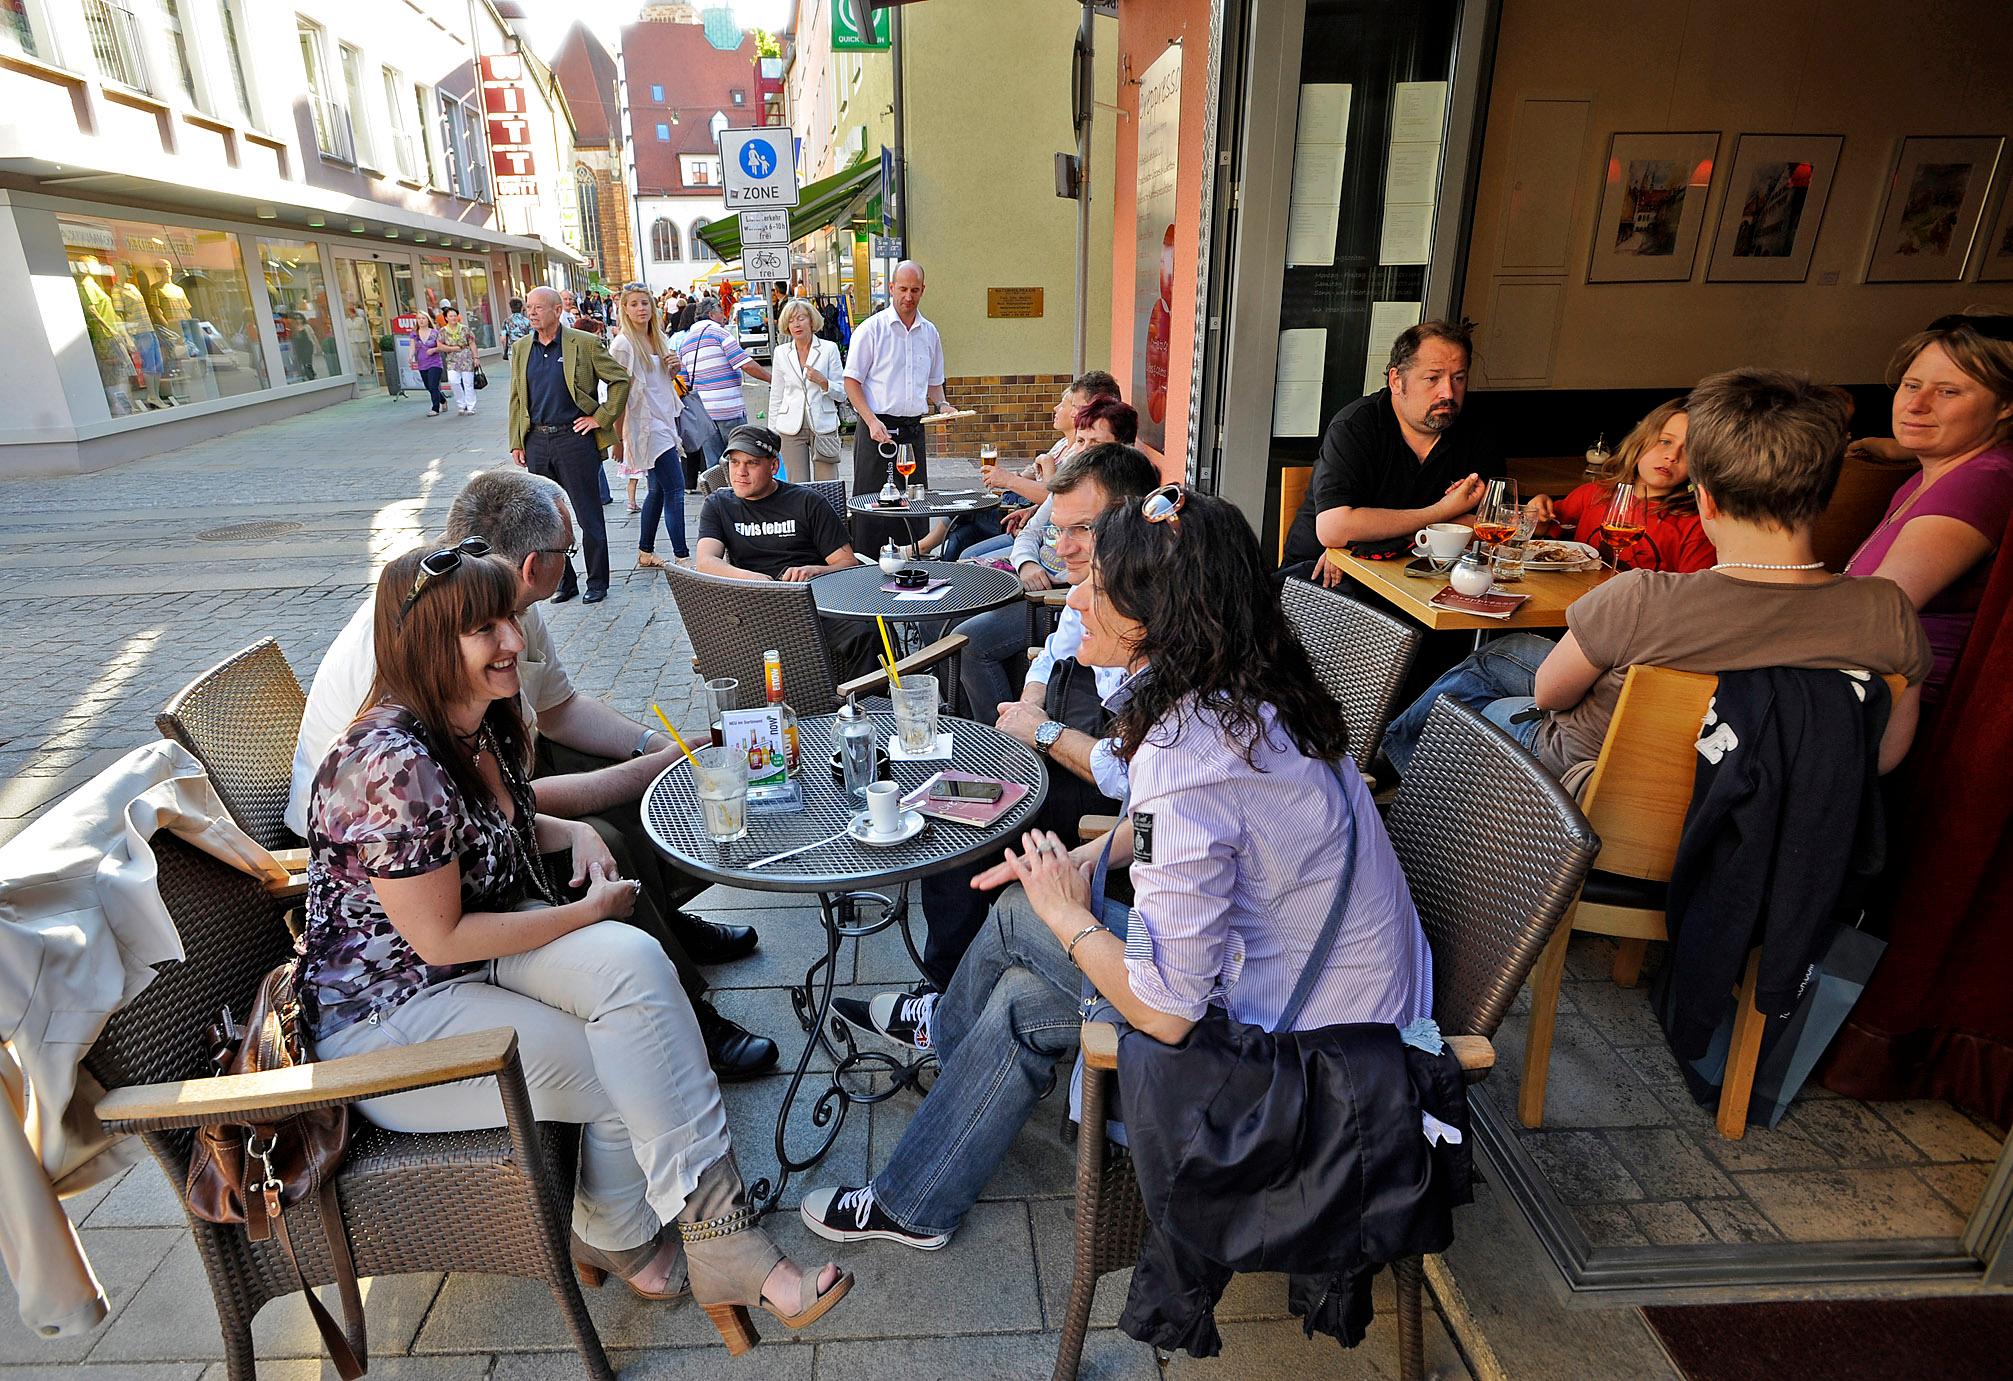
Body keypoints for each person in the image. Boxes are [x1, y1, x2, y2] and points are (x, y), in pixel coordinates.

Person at [801, 487, 1434, 1251]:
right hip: (1345, 997)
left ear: (1161, 618)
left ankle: (925, 1150)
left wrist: (1069, 915)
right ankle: (935, 1091)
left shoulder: (1186, 753)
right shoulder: (1255, 690)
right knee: (1023, 924)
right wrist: (1088, 857)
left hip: (1310, 1070)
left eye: (1099, 589)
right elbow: (1199, 830)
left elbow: (1168, 1012)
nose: (1075, 597)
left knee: (1024, 973)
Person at [302, 544, 847, 1343]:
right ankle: (642, 1234)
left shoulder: (471, 726)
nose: (514, 642)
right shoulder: (387, 763)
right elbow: (439, 934)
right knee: (635, 1059)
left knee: (635, 969)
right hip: (387, 1020)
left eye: (510, 620)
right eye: (486, 629)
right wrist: (583, 913)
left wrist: (577, 834)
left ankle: (696, 1231)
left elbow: (499, 830)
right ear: (425, 643)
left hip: (468, 963)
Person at [286, 470, 777, 1077]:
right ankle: (682, 1008)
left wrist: (661, 746)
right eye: (569, 555)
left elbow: (560, 711)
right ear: (535, 565)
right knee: (618, 823)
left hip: (457, 812)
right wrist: (647, 776)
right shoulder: (414, 661)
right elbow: (472, 812)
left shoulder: (498, 615)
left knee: (621, 785)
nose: (513, 639)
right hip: (398, 863)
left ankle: (660, 930)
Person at [1378, 369, 1933, 780]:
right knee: (1505, 662)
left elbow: (1548, 696)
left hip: (1593, 800)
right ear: (1827, 493)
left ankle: (1408, 816)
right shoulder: (1890, 611)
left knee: (1474, 707)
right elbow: (1881, 756)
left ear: (1705, 498)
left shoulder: (1640, 597)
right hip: (1758, 823)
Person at [839, 444, 1162, 1046]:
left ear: (1133, 526)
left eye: (1080, 531)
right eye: (1058, 530)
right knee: (944, 800)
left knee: (961, 838)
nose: (1061, 549)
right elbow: (1060, 646)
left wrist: (1041, 734)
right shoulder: (1096, 590)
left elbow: (1138, 780)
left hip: (1099, 797)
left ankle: (948, 1004)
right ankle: (951, 992)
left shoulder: (1152, 615)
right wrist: (1034, 702)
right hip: (1075, 764)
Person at [1843, 310, 2013, 706]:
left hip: (1903, 711)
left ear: (2005, 405)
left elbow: (1876, 610)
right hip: (1865, 680)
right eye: (1911, 385)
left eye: (1948, 391)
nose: (1916, 404)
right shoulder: (1939, 469)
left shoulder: (1980, 483)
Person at [1280, 319, 1502, 584]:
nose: (1448, 392)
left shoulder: (1477, 429)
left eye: (1459, 378)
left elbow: (1488, 526)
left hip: (1427, 578)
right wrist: (1442, 513)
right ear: (1397, 380)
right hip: (1325, 581)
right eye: (1432, 378)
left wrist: (1371, 541)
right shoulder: (1356, 426)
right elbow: (1334, 528)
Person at [508, 286, 629, 605]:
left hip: (575, 439)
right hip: (537, 441)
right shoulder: (521, 347)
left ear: (557, 311)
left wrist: (600, 418)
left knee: (588, 514)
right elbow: (517, 397)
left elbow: (620, 380)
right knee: (547, 518)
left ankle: (598, 581)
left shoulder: (584, 343)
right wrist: (517, 441)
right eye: (528, 308)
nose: (531, 313)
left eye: (538, 307)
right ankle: (565, 581)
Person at [1527, 399, 1713, 572]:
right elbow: (1542, 532)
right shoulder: (1593, 494)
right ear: (1640, 442)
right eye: (1665, 441)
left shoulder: (1697, 525)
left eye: (1689, 449)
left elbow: (1692, 596)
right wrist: (1537, 515)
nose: (1672, 456)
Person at [844, 261, 950, 551]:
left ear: (923, 291)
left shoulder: (930, 333)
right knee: (872, 504)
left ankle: (912, 562)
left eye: (915, 290)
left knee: (914, 503)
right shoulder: (871, 330)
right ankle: (866, 566)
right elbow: (851, 382)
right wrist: (870, 420)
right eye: (903, 289)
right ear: (891, 288)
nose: (908, 296)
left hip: (912, 431)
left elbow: (934, 382)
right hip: (875, 428)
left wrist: (942, 405)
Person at [609, 284, 691, 569]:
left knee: (657, 490)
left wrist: (674, 369)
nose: (640, 308)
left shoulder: (658, 337)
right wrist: (617, 438)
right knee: (676, 489)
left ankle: (645, 552)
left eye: (644, 303)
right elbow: (615, 392)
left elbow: (663, 382)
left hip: (665, 419)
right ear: (625, 308)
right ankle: (683, 556)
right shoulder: (623, 344)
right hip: (645, 425)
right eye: (633, 304)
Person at [678, 296, 772, 472]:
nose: (723, 317)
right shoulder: (719, 334)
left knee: (714, 466)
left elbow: (685, 382)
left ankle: (719, 496)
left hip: (704, 413)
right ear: (712, 314)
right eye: (721, 312)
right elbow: (746, 364)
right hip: (729, 409)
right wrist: (772, 379)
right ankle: (739, 497)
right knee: (739, 460)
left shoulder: (685, 342)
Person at [768, 298, 847, 483]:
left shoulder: (829, 349)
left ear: (812, 320)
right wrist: (771, 433)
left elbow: (842, 392)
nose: (796, 324)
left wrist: (823, 381)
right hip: (790, 427)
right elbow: (776, 395)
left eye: (801, 318)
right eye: (791, 320)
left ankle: (826, 513)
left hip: (823, 425)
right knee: (796, 486)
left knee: (828, 484)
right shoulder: (781, 352)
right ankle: (800, 514)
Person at [439, 306, 479, 416]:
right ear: (446, 318)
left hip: (466, 359)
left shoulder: (465, 329)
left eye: (455, 316)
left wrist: (476, 358)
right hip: (452, 360)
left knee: (468, 383)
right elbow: (440, 346)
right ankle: (461, 404)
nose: (453, 318)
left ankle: (470, 406)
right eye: (450, 316)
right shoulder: (443, 331)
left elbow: (472, 343)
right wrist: (453, 349)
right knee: (453, 381)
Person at [413, 314, 447, 416]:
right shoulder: (414, 334)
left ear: (428, 320)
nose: (421, 320)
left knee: (433, 386)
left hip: (435, 363)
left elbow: (442, 347)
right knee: (429, 387)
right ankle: (443, 400)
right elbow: (412, 346)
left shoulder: (435, 333)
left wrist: (434, 349)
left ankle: (435, 408)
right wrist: (410, 356)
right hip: (422, 364)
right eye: (419, 318)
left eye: (423, 318)